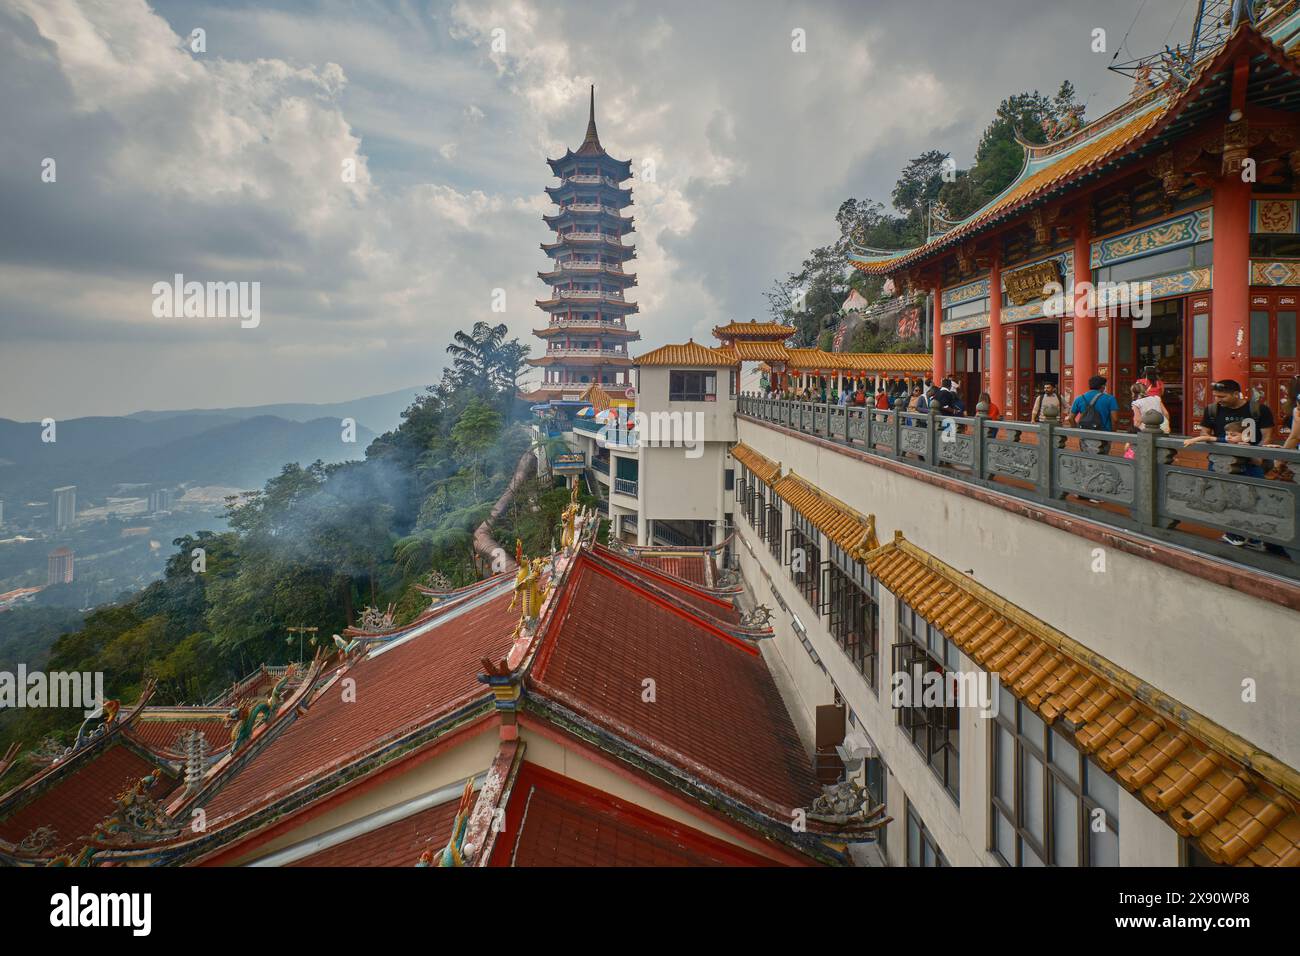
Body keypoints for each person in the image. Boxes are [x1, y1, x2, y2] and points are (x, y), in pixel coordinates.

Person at [1198, 379, 1276, 548]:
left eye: (1222, 396)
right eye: (1216, 396)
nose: (1218, 399)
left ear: (1235, 394)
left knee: (1256, 497)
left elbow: (1267, 436)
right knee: (1224, 497)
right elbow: (1205, 431)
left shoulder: (1258, 409)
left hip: (1251, 463)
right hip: (1221, 462)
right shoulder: (1212, 410)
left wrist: (1257, 456)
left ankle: (1255, 537)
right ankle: (1235, 534)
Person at [1123, 381, 1171, 459]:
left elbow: (1137, 421)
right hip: (1163, 428)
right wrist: (1165, 425)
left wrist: (1132, 430)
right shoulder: (1156, 398)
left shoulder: (1136, 403)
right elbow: (1166, 414)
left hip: (1147, 431)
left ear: (1133, 392)